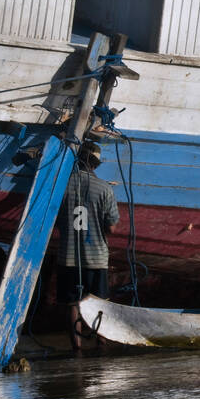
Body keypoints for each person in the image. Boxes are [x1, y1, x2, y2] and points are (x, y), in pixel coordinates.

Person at [58, 140, 119, 352]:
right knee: (100, 303)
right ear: (95, 164)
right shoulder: (104, 189)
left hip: (68, 256)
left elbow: (53, 219)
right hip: (96, 257)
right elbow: (111, 228)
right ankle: (102, 343)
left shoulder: (62, 186)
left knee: (73, 304)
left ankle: (77, 348)